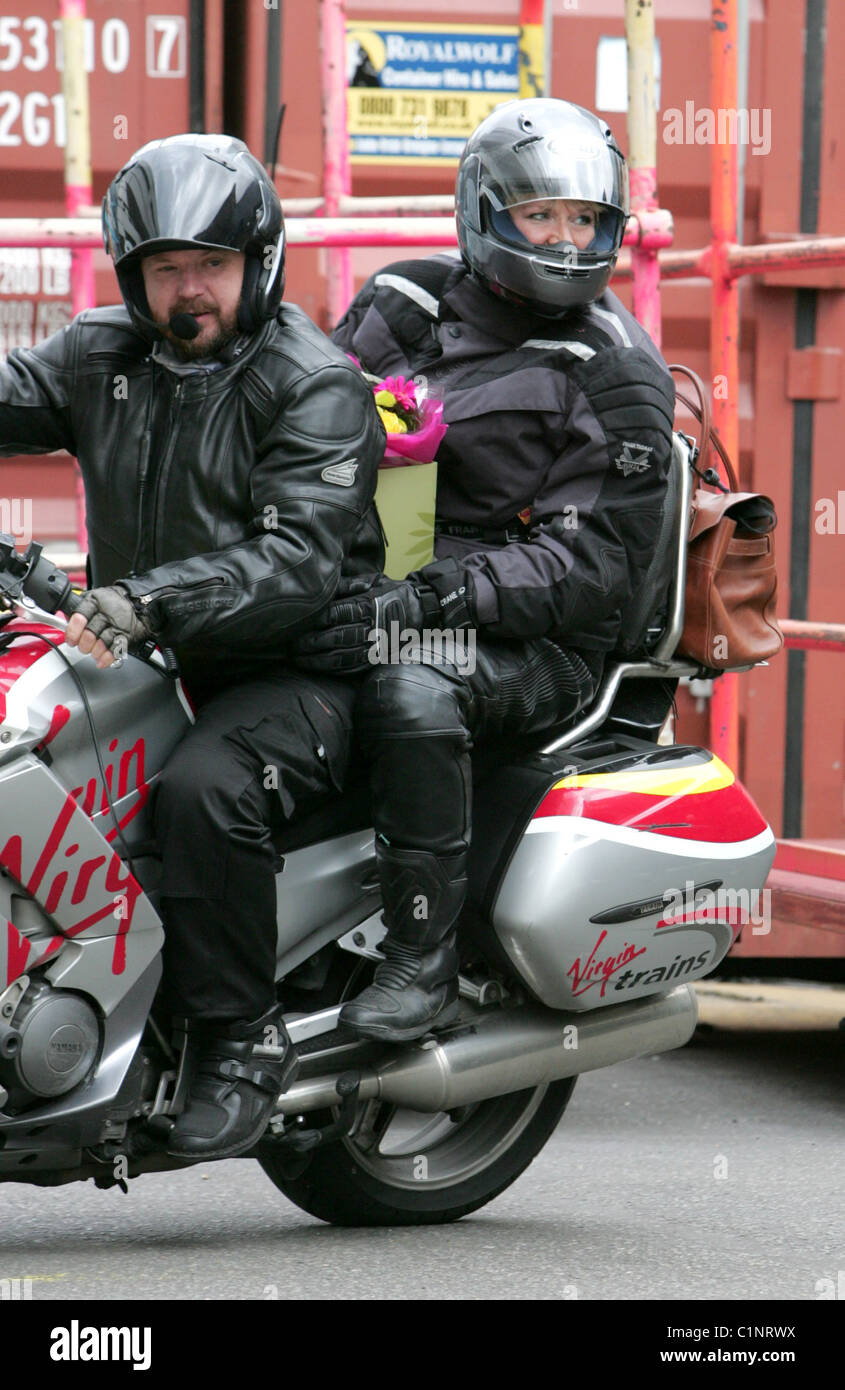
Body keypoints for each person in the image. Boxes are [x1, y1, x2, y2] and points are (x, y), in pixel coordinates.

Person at [0, 134, 385, 1159]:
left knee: (202, 792)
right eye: (166, 270)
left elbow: (296, 563)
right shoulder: (102, 354)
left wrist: (147, 600)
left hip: (297, 669)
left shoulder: (315, 384)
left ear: (256, 264)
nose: (188, 292)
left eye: (209, 267)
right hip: (147, 654)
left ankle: (239, 1035)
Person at [295, 98, 677, 1042]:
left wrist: (424, 599)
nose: (564, 238)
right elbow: (299, 433)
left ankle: (421, 958)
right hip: (379, 584)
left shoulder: (614, 369)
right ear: (483, 210)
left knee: (406, 683)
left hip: (534, 639)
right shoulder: (402, 302)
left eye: (583, 219)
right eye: (539, 215)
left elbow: (585, 568)